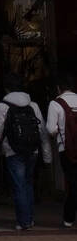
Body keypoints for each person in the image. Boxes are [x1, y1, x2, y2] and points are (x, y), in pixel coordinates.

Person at [0, 74, 51, 231]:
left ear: (7, 88)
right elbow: (42, 131)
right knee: (29, 183)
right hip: (32, 150)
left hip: (12, 151)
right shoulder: (33, 105)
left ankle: (23, 222)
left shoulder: (2, 106)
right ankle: (29, 219)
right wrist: (47, 155)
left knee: (19, 186)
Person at [46, 69, 77, 228]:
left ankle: (69, 218)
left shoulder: (55, 103)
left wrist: (61, 130)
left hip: (67, 149)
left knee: (72, 183)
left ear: (59, 88)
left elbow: (51, 129)